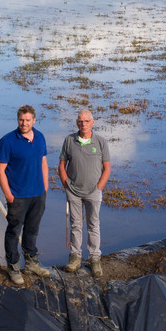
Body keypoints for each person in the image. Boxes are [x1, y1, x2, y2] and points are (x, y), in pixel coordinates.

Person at [0, 104, 50, 285]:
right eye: (21, 120)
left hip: (38, 194)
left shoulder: (40, 137)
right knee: (13, 231)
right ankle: (13, 266)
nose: (24, 123)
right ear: (17, 119)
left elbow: (43, 162)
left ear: (34, 120)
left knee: (32, 230)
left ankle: (31, 262)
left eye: (27, 120)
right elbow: (0, 170)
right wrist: (9, 195)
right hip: (18, 196)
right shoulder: (7, 141)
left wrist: (45, 187)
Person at [58, 109, 111, 277]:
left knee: (93, 224)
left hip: (93, 192)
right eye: (80, 121)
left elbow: (107, 168)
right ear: (77, 123)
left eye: (86, 121)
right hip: (73, 191)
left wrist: (99, 187)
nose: (83, 124)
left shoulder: (101, 142)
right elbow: (61, 166)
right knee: (75, 224)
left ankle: (94, 259)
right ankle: (75, 257)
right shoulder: (69, 140)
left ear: (92, 122)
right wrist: (66, 184)